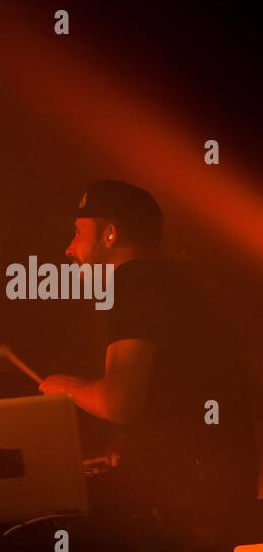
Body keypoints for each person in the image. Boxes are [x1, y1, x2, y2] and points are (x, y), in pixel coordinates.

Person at [38, 180, 258, 525]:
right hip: (220, 480)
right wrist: (140, 440)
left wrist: (63, 388)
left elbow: (120, 402)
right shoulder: (170, 282)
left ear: (110, 235)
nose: (69, 248)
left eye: (78, 233)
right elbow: (187, 389)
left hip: (191, 495)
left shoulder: (134, 283)